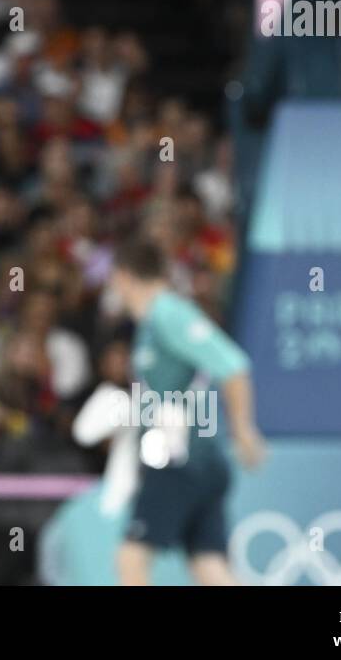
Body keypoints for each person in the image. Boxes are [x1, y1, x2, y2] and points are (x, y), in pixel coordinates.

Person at [107, 238, 265, 585]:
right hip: (199, 461)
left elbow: (234, 366)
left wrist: (243, 430)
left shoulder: (168, 314)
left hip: (182, 461)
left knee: (131, 559)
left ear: (122, 276)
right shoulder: (152, 322)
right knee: (209, 566)